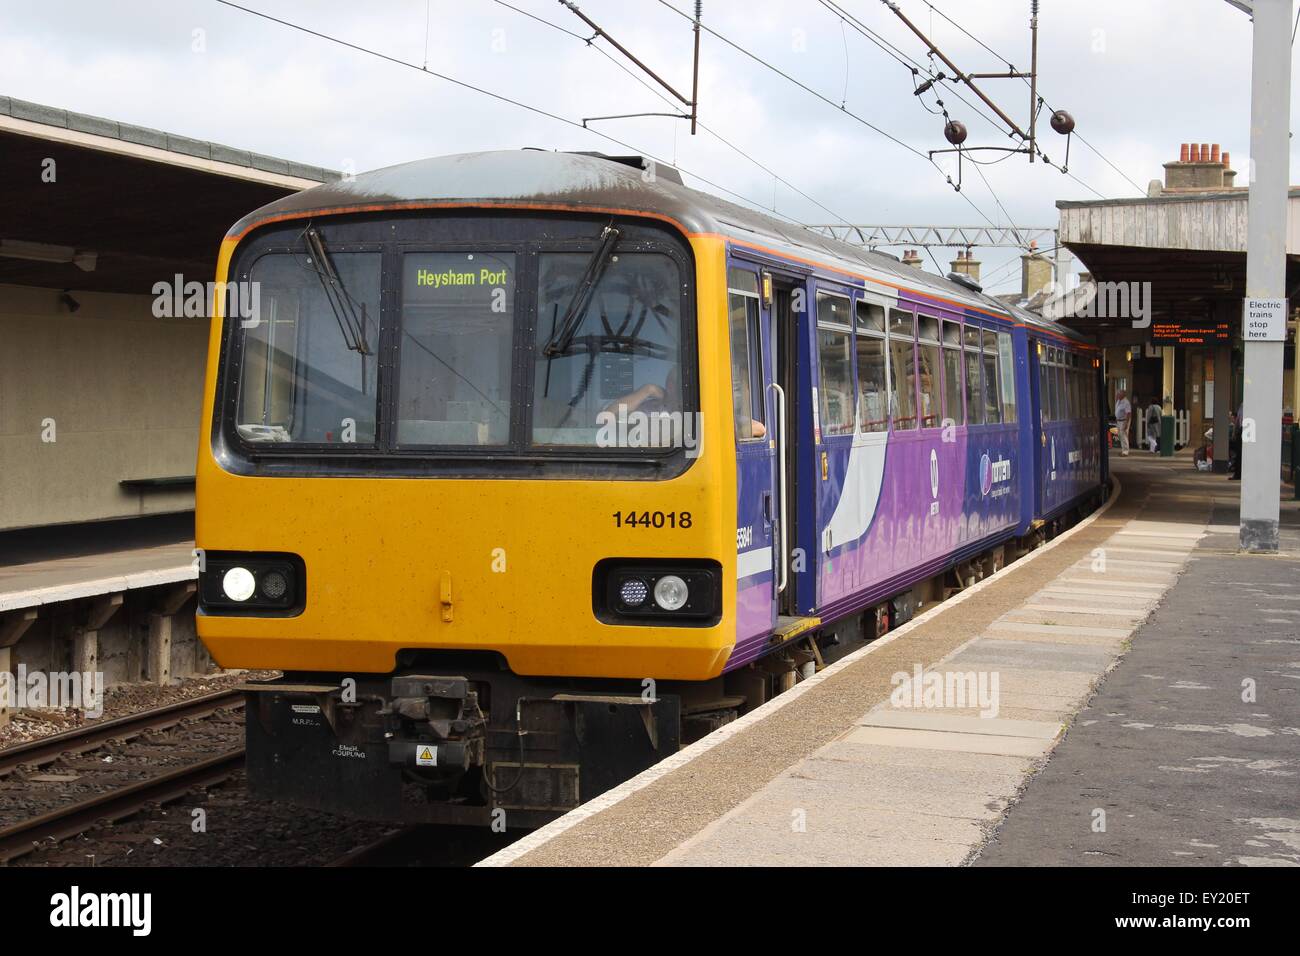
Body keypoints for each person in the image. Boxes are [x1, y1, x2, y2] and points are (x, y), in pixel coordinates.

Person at [1114, 390, 1132, 456]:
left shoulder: (1126, 402)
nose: (1117, 395)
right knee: (1120, 435)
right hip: (1119, 421)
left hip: (1124, 420)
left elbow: (1128, 413)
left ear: (1123, 395)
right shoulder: (1118, 401)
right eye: (1117, 394)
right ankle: (1123, 450)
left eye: (1118, 394)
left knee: (1124, 435)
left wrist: (1126, 424)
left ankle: (1125, 451)